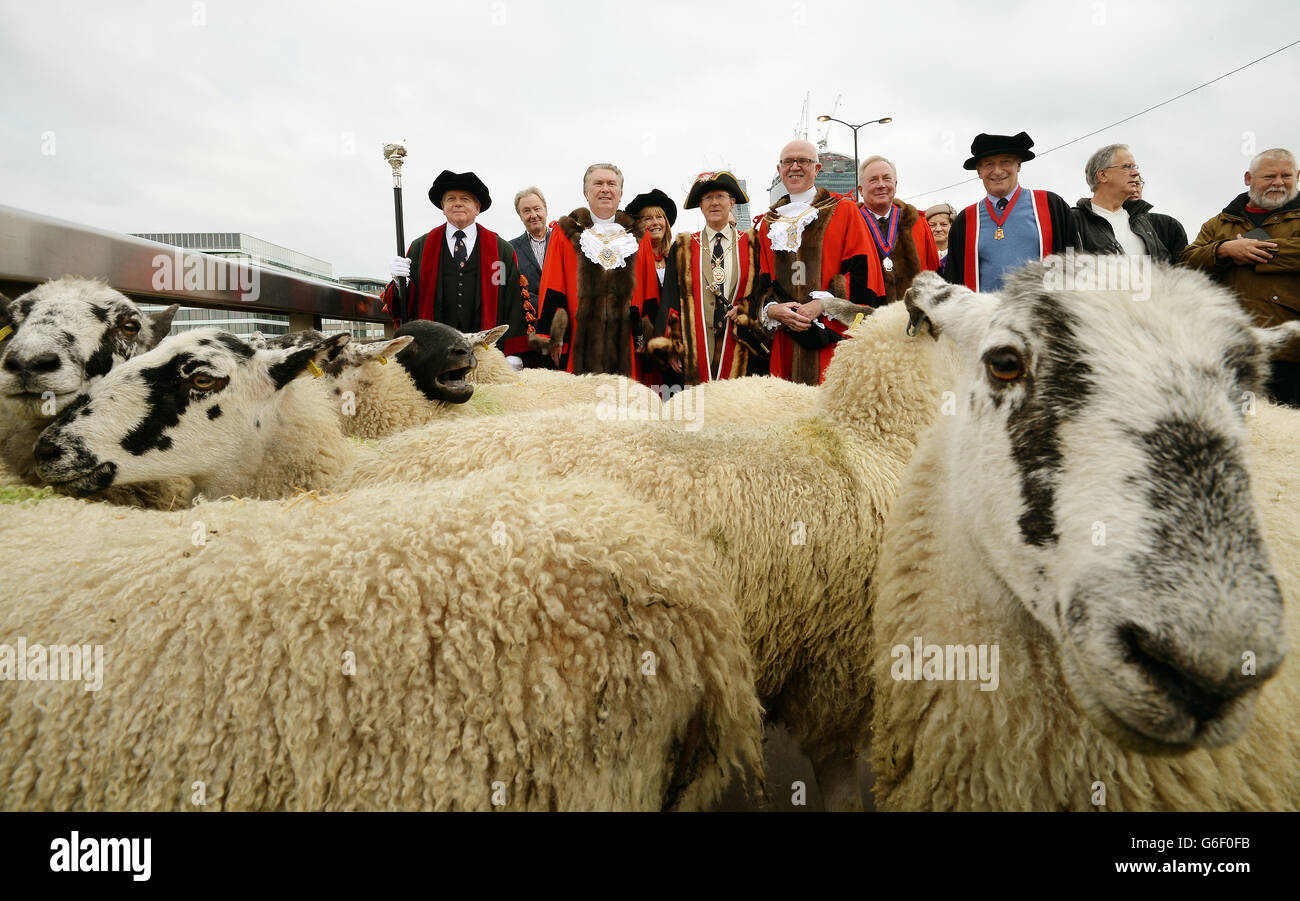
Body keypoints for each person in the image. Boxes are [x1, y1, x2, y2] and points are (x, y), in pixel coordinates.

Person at [748, 139, 881, 385]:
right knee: (786, 414)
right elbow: (760, 282)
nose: (795, 167)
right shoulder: (767, 223)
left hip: (832, 335)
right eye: (788, 162)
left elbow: (863, 274)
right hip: (785, 341)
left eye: (803, 161)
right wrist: (772, 310)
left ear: (817, 169)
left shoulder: (844, 210)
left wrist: (823, 304)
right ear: (779, 170)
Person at [1181, 148, 1300, 406]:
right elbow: (1185, 264)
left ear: (1298, 177)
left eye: (1286, 176)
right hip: (1228, 351)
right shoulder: (1218, 224)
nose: (1278, 182)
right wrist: (1223, 250)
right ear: (1248, 179)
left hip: (1290, 351)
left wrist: (1256, 251)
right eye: (1269, 176)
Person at [534, 163, 657, 376]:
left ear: (620, 193)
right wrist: (553, 335)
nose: (605, 189)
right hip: (579, 341)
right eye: (598, 183)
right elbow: (553, 285)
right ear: (586, 192)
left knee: (625, 404)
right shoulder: (564, 232)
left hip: (626, 342)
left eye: (611, 184)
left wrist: (648, 335)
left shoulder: (639, 235)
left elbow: (650, 289)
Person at [383, 170, 526, 352]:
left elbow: (511, 300)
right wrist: (398, 283)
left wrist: (513, 352)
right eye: (451, 199)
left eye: (465, 199)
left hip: (486, 351)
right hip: (434, 352)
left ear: (477, 207)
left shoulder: (501, 251)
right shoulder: (420, 247)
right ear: (443, 206)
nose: (458, 203)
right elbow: (404, 307)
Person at [648, 172, 757, 387]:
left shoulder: (753, 245)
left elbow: (761, 292)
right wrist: (672, 345)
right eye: (708, 198)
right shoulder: (684, 246)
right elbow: (670, 298)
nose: (714, 203)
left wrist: (747, 309)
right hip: (694, 347)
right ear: (701, 205)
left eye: (720, 196)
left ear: (732, 202)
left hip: (739, 346)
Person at [943, 132, 1078, 291]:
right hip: (985, 314)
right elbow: (954, 281)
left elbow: (1075, 263)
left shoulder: (1050, 206)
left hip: (1040, 313)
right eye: (988, 164)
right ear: (979, 172)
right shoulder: (965, 221)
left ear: (1018, 165)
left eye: (1005, 162)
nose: (998, 171)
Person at [1070, 144, 1186, 262]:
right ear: (1103, 175)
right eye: (1127, 167)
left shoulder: (1147, 223)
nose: (1136, 173)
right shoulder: (1072, 221)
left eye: (1135, 167)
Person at [856, 156, 941, 303]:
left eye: (887, 178)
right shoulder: (849, 225)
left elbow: (934, 274)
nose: (881, 185)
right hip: (865, 319)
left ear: (895, 184)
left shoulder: (918, 223)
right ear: (861, 190)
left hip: (912, 319)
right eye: (873, 180)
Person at [509, 187, 554, 367]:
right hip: (529, 336)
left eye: (537, 209)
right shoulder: (509, 249)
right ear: (520, 215)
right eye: (526, 211)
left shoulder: (565, 244)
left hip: (563, 333)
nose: (533, 215)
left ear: (545, 210)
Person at [923, 202, 956, 274]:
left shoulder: (961, 255)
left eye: (944, 224)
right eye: (932, 225)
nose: (938, 229)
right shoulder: (920, 257)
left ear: (952, 226)